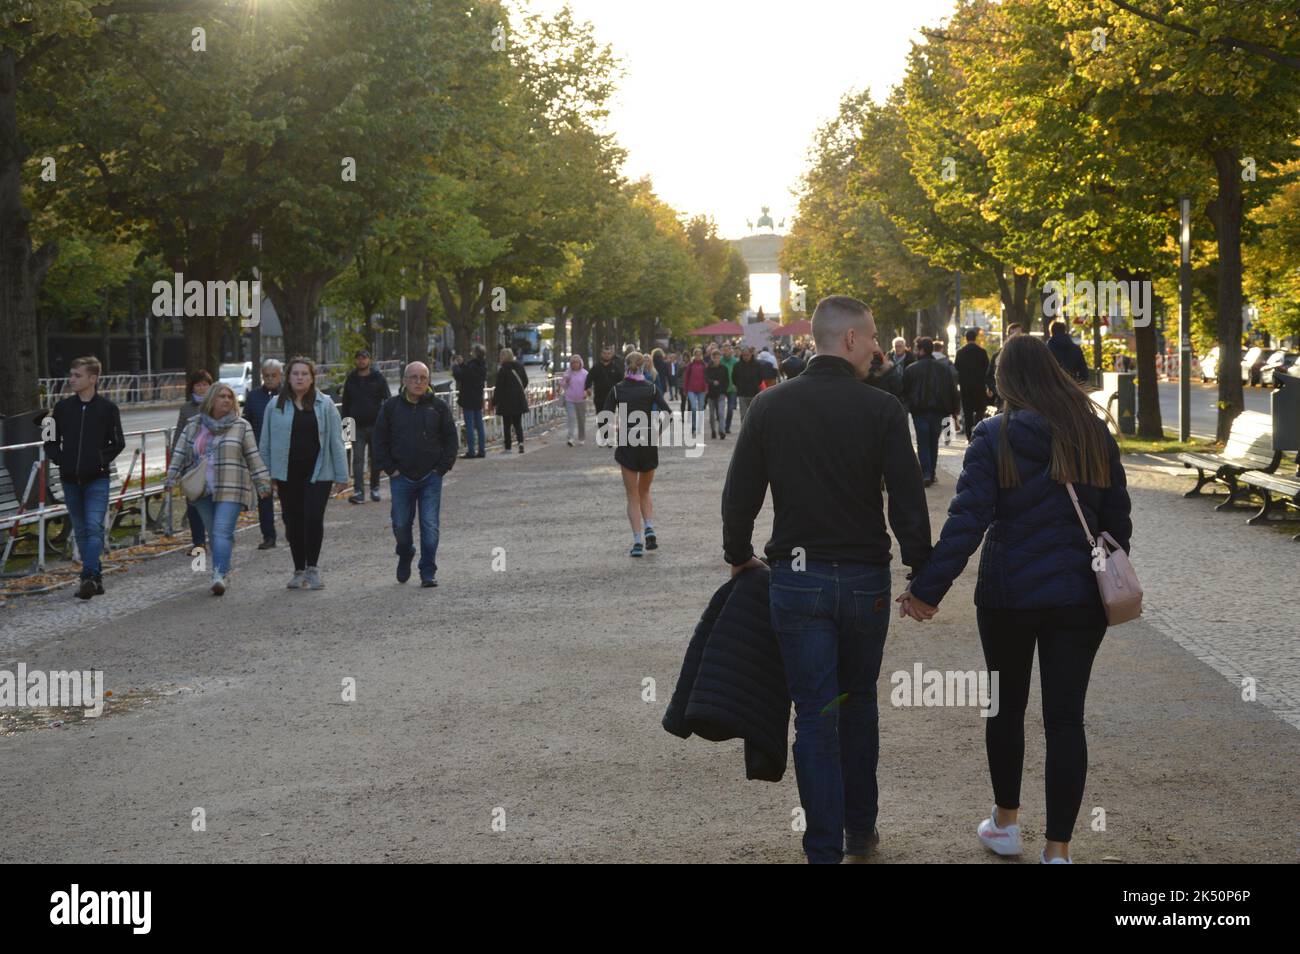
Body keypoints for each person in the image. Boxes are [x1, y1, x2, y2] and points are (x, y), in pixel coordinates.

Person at [899, 333, 1132, 864]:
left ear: (1003, 380)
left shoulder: (994, 436)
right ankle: (1059, 850)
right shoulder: (1093, 433)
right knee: (1066, 720)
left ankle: (1005, 823)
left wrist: (926, 590)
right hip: (1078, 597)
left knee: (1004, 707)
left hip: (1009, 596)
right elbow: (1117, 523)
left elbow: (967, 522)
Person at [721, 296, 932, 864]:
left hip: (797, 577)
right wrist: (922, 572)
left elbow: (741, 492)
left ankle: (822, 849)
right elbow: (907, 500)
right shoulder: (883, 410)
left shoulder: (771, 408)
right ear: (847, 341)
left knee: (814, 714)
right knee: (858, 703)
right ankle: (860, 830)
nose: (878, 349)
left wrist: (738, 555)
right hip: (865, 578)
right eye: (871, 339)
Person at [165, 383, 271, 595]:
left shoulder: (241, 426)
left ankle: (218, 574)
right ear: (211, 399)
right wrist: (171, 476)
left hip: (231, 486)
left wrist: (263, 482)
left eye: (230, 397)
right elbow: (179, 451)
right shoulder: (194, 424)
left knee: (222, 530)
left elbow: (253, 456)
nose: (226, 400)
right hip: (201, 488)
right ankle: (224, 568)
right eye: (221, 396)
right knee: (216, 533)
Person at [259, 356, 349, 590]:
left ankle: (313, 568)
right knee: (293, 522)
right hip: (287, 474)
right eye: (295, 373)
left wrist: (342, 474)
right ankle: (298, 569)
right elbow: (266, 442)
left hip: (319, 472)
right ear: (288, 377)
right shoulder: (275, 405)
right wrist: (265, 475)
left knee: (313, 518)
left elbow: (336, 441)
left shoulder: (325, 404)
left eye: (304, 374)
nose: (300, 377)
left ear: (312, 378)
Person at [43, 356, 125, 599]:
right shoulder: (61, 408)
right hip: (70, 479)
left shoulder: (108, 409)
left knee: (94, 527)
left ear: (93, 378)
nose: (71, 379)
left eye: (77, 375)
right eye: (71, 375)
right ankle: (96, 578)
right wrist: (60, 458)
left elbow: (118, 442)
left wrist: (99, 459)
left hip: (97, 479)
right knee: (80, 530)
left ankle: (87, 576)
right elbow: (49, 438)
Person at [374, 361, 457, 587]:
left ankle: (428, 570)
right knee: (401, 524)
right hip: (401, 477)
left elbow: (451, 439)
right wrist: (391, 469)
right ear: (404, 381)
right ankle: (405, 552)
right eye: (413, 377)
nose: (418, 382)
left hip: (430, 477)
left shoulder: (438, 407)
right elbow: (379, 439)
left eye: (423, 377)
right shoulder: (391, 407)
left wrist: (441, 468)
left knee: (429, 524)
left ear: (428, 381)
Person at [602, 351, 671, 557]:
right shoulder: (650, 388)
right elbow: (667, 413)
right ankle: (649, 525)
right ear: (644, 367)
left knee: (632, 495)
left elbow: (604, 417)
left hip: (627, 442)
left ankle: (637, 541)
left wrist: (611, 431)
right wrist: (658, 432)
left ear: (626, 366)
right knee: (645, 491)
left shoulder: (617, 390)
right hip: (648, 440)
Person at [902, 337, 960, 487]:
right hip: (939, 411)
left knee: (923, 441)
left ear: (921, 350)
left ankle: (926, 472)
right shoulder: (943, 369)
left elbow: (905, 391)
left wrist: (907, 406)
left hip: (919, 410)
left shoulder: (911, 369)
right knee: (933, 442)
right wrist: (955, 411)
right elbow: (952, 390)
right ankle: (931, 472)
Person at [340, 348, 391, 504]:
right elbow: (346, 404)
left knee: (375, 459)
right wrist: (346, 429)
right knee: (358, 459)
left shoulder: (378, 378)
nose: (361, 361)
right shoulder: (351, 379)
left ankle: (375, 488)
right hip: (356, 425)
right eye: (359, 358)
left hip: (376, 425)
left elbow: (387, 400)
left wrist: (385, 423)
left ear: (369, 360)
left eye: (364, 358)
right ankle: (359, 491)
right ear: (356, 361)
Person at [242, 358, 283, 549]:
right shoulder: (254, 397)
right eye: (266, 376)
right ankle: (269, 536)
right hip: (261, 455)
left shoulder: (288, 395)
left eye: (273, 376)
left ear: (280, 376)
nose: (269, 379)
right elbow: (246, 422)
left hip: (285, 454)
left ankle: (292, 529)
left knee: (288, 496)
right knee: (264, 497)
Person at [173, 369, 213, 553]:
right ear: (192, 387)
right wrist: (176, 463)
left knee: (215, 503)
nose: (202, 388)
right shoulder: (186, 409)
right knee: (193, 504)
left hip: (213, 463)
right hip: (192, 464)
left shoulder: (217, 405)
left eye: (205, 384)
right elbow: (179, 435)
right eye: (198, 384)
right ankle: (198, 543)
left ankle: (216, 538)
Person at [955, 329, 991, 441]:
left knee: (967, 412)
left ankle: (969, 435)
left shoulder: (960, 352)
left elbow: (957, 369)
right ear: (975, 338)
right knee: (980, 410)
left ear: (966, 338)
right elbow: (987, 369)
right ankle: (978, 430)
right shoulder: (982, 352)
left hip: (965, 387)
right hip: (979, 387)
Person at [453, 345, 488, 459]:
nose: (471, 352)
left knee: (469, 425)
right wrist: (463, 365)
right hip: (478, 397)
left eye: (472, 351)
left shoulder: (472, 365)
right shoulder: (482, 365)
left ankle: (471, 451)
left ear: (476, 353)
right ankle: (482, 450)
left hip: (468, 398)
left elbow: (461, 376)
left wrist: (456, 366)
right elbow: (469, 374)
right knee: (479, 425)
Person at [491, 348, 529, 454]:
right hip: (518, 399)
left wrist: (494, 401)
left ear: (504, 357)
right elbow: (525, 381)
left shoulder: (503, 370)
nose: (500, 358)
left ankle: (508, 447)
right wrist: (519, 390)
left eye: (501, 356)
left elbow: (499, 388)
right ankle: (520, 443)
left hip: (506, 401)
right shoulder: (520, 367)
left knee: (507, 424)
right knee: (518, 423)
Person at [986, 323, 1022, 410]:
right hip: (1004, 400)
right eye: (1013, 334)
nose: (1016, 337)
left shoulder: (1028, 355)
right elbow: (989, 376)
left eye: (1018, 335)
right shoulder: (998, 355)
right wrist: (997, 391)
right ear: (1008, 336)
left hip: (1022, 400)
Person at [561, 354, 591, 446]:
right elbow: (562, 385)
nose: (574, 364)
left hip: (581, 399)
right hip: (569, 399)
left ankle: (581, 438)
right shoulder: (567, 373)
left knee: (581, 420)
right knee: (571, 418)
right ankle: (570, 438)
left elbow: (588, 385)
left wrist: (587, 391)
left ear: (580, 363)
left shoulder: (585, 373)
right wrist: (566, 381)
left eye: (576, 362)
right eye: (572, 363)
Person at [586, 345, 624, 414]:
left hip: (612, 397)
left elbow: (621, 381)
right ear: (601, 354)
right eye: (605, 353)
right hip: (599, 397)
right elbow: (589, 378)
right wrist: (588, 387)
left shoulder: (616, 368)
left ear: (612, 355)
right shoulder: (596, 367)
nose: (607, 355)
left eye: (609, 354)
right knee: (601, 419)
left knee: (609, 418)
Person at [682, 347, 708, 437]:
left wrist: (706, 388)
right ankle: (693, 427)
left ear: (701, 356)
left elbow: (707, 378)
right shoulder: (690, 365)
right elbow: (686, 378)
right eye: (696, 355)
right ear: (694, 355)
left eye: (699, 355)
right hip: (691, 389)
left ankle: (699, 427)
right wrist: (685, 389)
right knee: (693, 407)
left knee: (701, 408)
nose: (698, 356)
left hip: (701, 389)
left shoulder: (704, 365)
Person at [732, 345, 763, 423]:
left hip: (754, 392)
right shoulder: (737, 365)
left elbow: (761, 377)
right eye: (744, 355)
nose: (745, 357)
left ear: (751, 354)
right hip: (742, 393)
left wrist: (756, 384)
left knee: (754, 414)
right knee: (743, 414)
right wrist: (738, 385)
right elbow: (734, 378)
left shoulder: (757, 365)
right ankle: (744, 432)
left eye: (747, 355)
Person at [705, 350, 729, 440]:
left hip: (721, 393)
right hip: (711, 394)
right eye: (715, 357)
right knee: (711, 414)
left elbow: (727, 381)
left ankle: (721, 431)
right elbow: (706, 379)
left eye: (718, 357)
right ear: (712, 358)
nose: (716, 359)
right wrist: (712, 382)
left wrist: (724, 390)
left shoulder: (724, 368)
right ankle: (713, 430)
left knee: (721, 413)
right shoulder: (708, 368)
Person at [720, 343, 739, 436]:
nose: (726, 352)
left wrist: (737, 384)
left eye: (728, 350)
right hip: (722, 388)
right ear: (722, 351)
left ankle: (727, 427)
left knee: (730, 409)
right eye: (724, 350)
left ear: (731, 350)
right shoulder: (720, 361)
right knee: (721, 409)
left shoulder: (735, 361)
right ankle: (722, 426)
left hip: (732, 388)